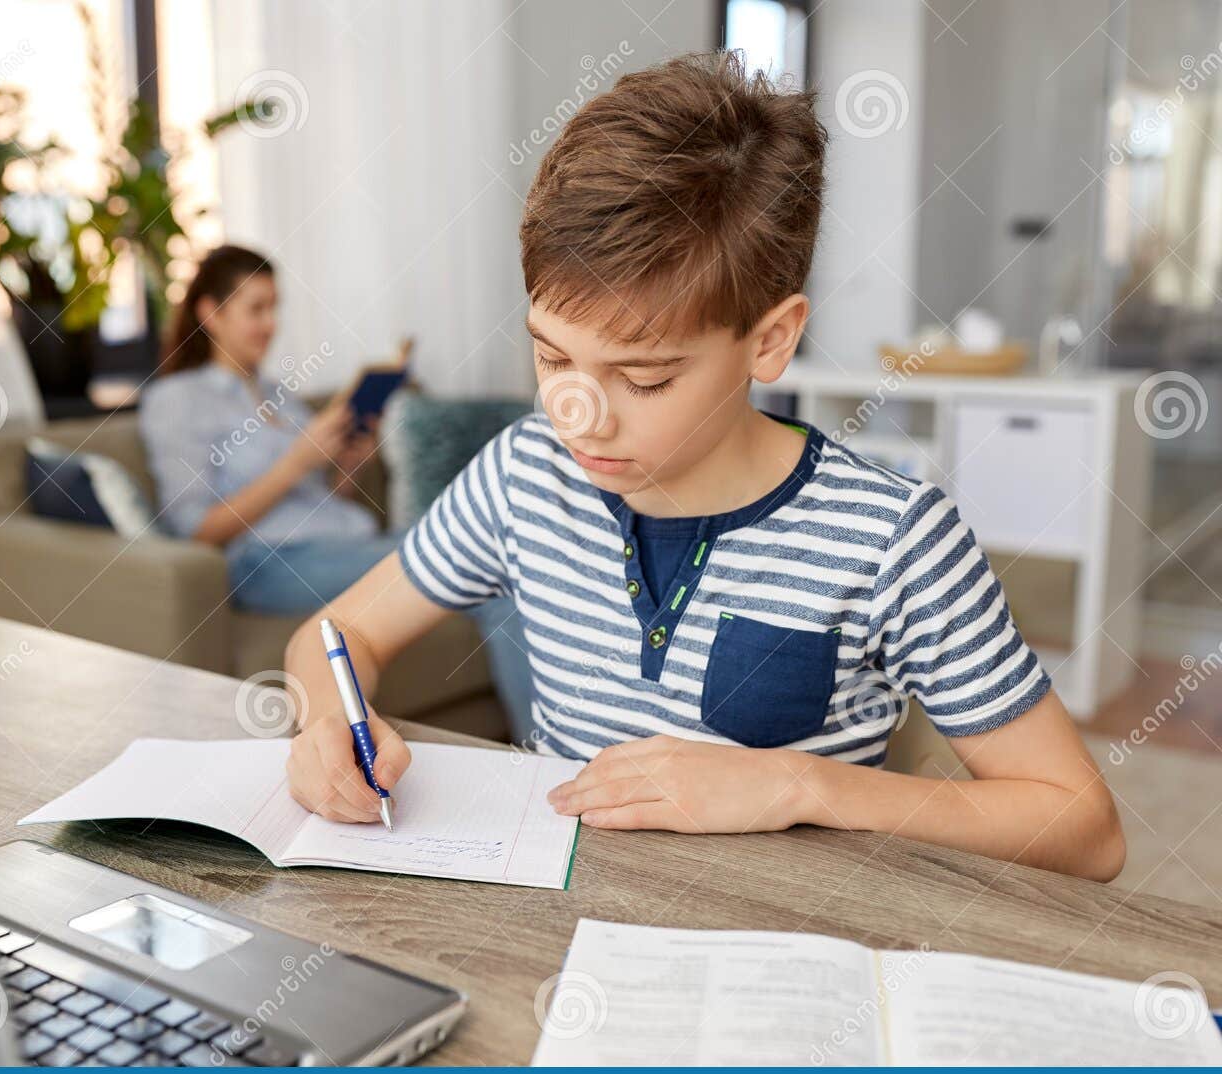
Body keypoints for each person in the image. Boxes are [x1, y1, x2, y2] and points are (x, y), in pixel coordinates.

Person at [278, 53, 1125, 882]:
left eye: (644, 378)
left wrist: (803, 784)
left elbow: (1083, 827)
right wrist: (326, 724)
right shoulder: (523, 473)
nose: (581, 416)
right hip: (565, 946)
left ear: (771, 340)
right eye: (552, 358)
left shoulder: (893, 538)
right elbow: (336, 636)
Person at [140, 244, 534, 741]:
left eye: (274, 307)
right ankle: (550, 762)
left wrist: (348, 462)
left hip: (336, 543)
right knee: (489, 565)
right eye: (255, 308)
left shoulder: (279, 394)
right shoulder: (176, 400)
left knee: (490, 556)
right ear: (210, 313)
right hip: (266, 561)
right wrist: (296, 461)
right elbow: (195, 528)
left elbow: (327, 504)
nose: (269, 323)